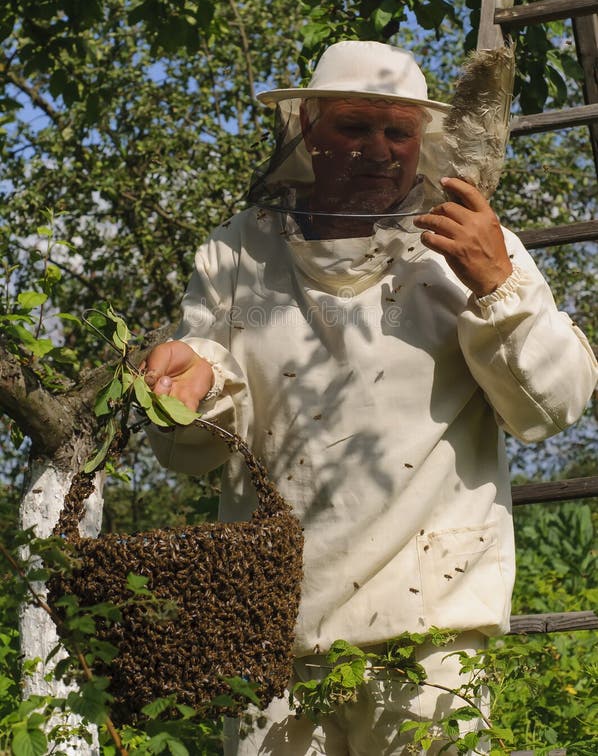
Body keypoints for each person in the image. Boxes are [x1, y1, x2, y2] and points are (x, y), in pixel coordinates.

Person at [145, 40, 597, 755]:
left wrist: (497, 285)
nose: (377, 149)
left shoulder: (477, 244)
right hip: (271, 635)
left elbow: (556, 405)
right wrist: (186, 384)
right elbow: (190, 449)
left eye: (398, 132)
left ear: (423, 145)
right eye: (353, 127)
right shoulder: (235, 256)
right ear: (308, 131)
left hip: (432, 632)